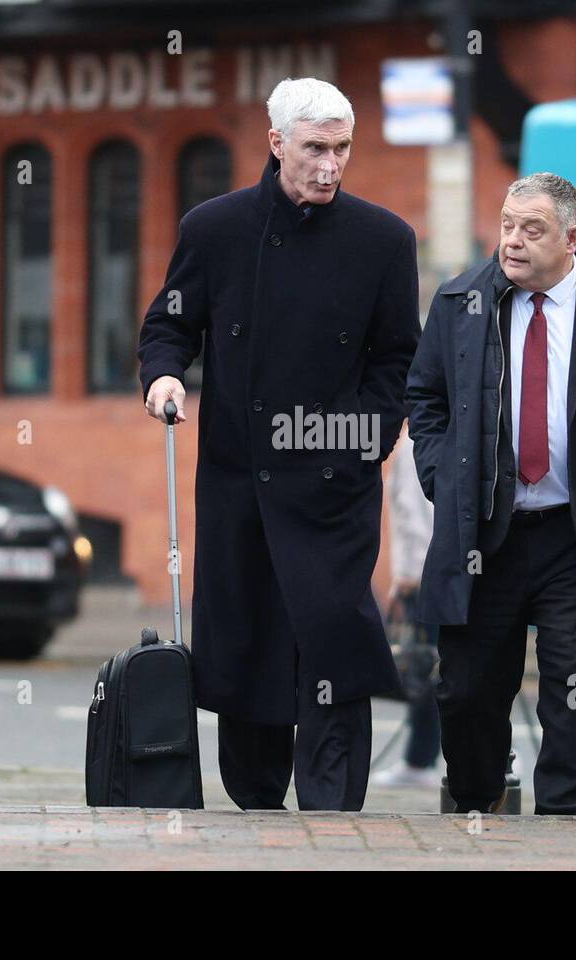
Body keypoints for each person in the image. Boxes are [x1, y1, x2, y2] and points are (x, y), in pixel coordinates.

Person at [137, 77, 419, 812]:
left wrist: (368, 438)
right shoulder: (215, 228)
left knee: (332, 626)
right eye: (315, 148)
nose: (329, 165)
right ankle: (255, 789)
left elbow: (397, 358)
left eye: (342, 148)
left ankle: (331, 798)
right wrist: (164, 379)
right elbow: (170, 323)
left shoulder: (384, 239)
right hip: (240, 475)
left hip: (335, 476)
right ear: (276, 145)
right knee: (248, 625)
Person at [406, 172, 576, 816]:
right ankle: (477, 801)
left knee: (573, 682)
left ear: (572, 238)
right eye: (506, 225)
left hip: (572, 534)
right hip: (483, 533)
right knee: (466, 691)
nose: (512, 243)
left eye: (533, 230)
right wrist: (444, 477)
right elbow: (426, 398)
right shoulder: (458, 303)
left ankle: (566, 814)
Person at [373, 424, 442, 789]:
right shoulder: (419, 436)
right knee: (429, 667)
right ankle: (420, 758)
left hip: (425, 575)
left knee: (424, 668)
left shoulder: (418, 439)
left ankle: (419, 759)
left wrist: (406, 577)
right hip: (430, 572)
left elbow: (416, 517)